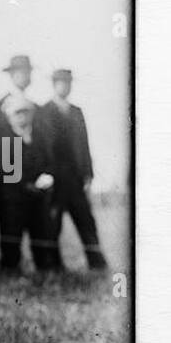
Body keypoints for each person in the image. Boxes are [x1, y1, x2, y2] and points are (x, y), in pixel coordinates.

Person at [33, 69, 108, 270]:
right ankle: (53, 266)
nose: (64, 86)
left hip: (75, 177)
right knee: (52, 223)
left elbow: (84, 144)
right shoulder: (43, 111)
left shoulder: (76, 111)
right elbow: (40, 145)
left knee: (85, 220)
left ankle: (97, 263)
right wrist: (43, 172)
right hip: (54, 177)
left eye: (68, 83)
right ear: (54, 85)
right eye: (61, 82)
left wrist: (88, 174)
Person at [1, 96, 62, 272]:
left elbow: (49, 163)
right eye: (17, 113)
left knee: (41, 234)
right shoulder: (5, 141)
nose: (22, 117)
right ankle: (10, 269)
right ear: (10, 117)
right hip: (14, 201)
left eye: (26, 113)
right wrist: (27, 186)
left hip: (38, 198)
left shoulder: (39, 138)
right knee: (12, 237)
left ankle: (44, 267)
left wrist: (47, 177)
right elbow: (6, 174)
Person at [0, 55, 37, 273]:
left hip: (31, 174)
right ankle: (9, 264)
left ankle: (40, 262)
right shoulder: (1, 105)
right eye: (19, 72)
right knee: (10, 221)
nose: (23, 77)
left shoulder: (37, 107)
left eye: (27, 72)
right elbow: (5, 141)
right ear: (11, 76)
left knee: (35, 220)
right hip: (10, 173)